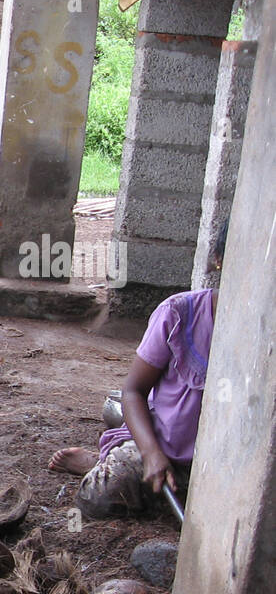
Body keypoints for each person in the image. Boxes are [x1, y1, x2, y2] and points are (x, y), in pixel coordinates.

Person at [49, 222, 225, 519]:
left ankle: (118, 454)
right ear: (219, 260)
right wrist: (152, 454)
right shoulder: (180, 313)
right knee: (99, 498)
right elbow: (134, 391)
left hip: (224, 468)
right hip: (167, 453)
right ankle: (108, 459)